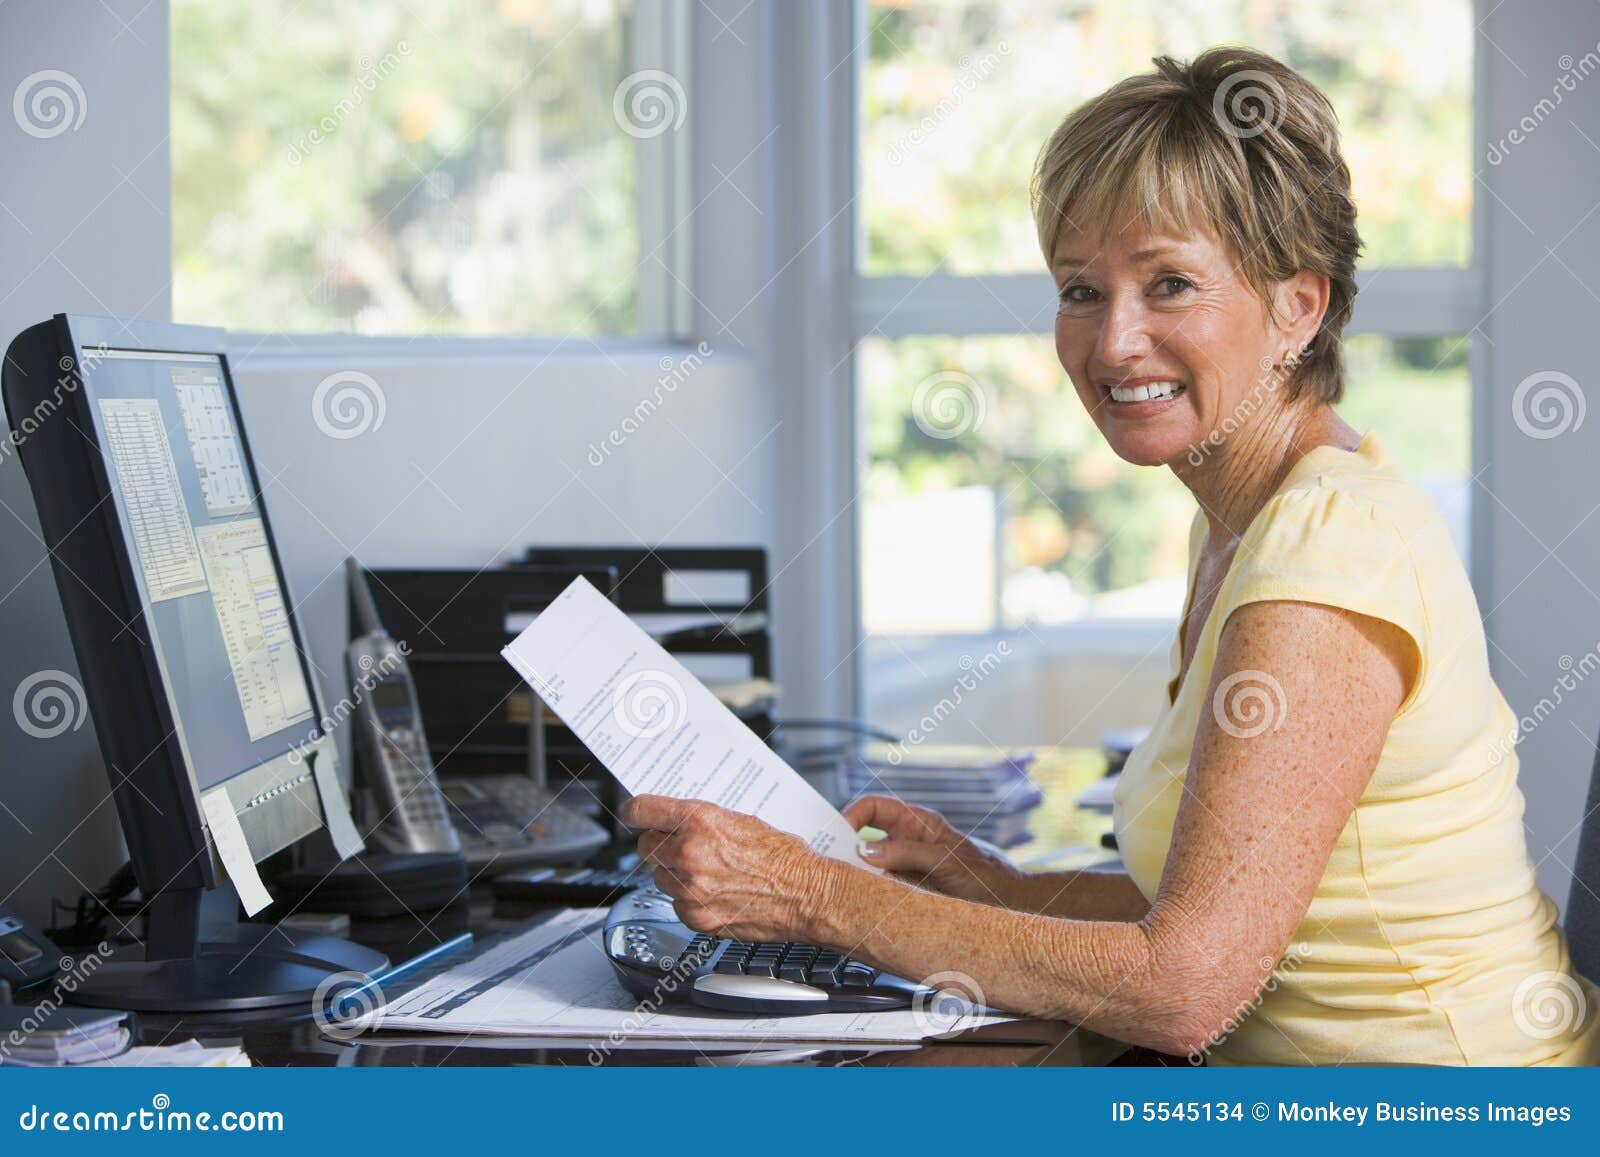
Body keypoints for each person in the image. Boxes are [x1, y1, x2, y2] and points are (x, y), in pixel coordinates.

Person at [623, 45, 1599, 1065]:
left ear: (1297, 308)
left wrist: (818, 895)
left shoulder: (1327, 549)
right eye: (1081, 290)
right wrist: (988, 879)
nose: (1114, 341)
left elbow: (1182, 989)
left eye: (1168, 283)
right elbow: (1221, 904)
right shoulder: (1244, 516)